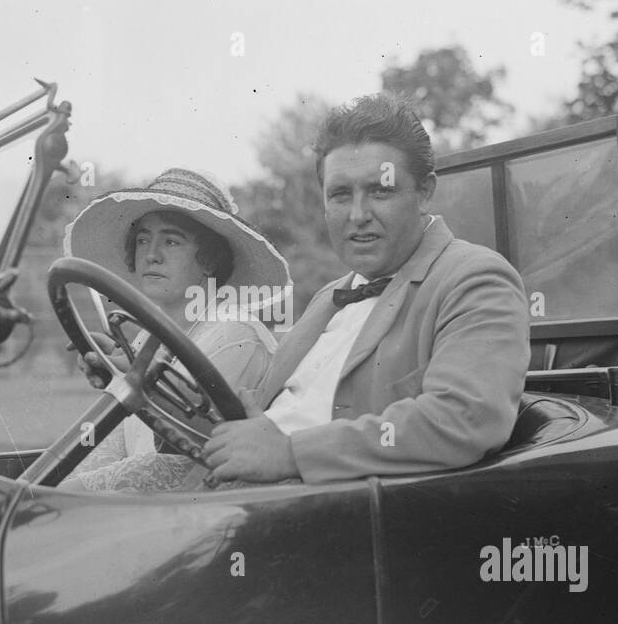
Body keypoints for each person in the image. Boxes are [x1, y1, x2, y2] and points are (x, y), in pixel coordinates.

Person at [199, 92, 530, 484]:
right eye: (341, 195)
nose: (358, 216)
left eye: (380, 191)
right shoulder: (330, 296)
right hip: (238, 490)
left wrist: (291, 453)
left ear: (424, 193)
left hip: (327, 513)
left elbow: (465, 418)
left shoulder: (474, 279)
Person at [61, 168, 291, 492]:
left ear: (209, 259)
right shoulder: (146, 338)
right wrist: (114, 373)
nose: (151, 255)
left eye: (171, 241)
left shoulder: (236, 336)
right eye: (143, 240)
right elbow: (109, 450)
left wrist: (138, 376)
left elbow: (188, 458)